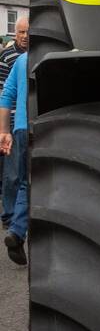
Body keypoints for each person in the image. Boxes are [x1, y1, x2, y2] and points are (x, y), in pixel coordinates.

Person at [0, 51, 28, 266]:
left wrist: (4, 131)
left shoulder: (22, 59)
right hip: (50, 126)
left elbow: (6, 95)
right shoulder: (64, 56)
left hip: (21, 129)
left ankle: (17, 232)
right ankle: (17, 231)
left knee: (26, 183)